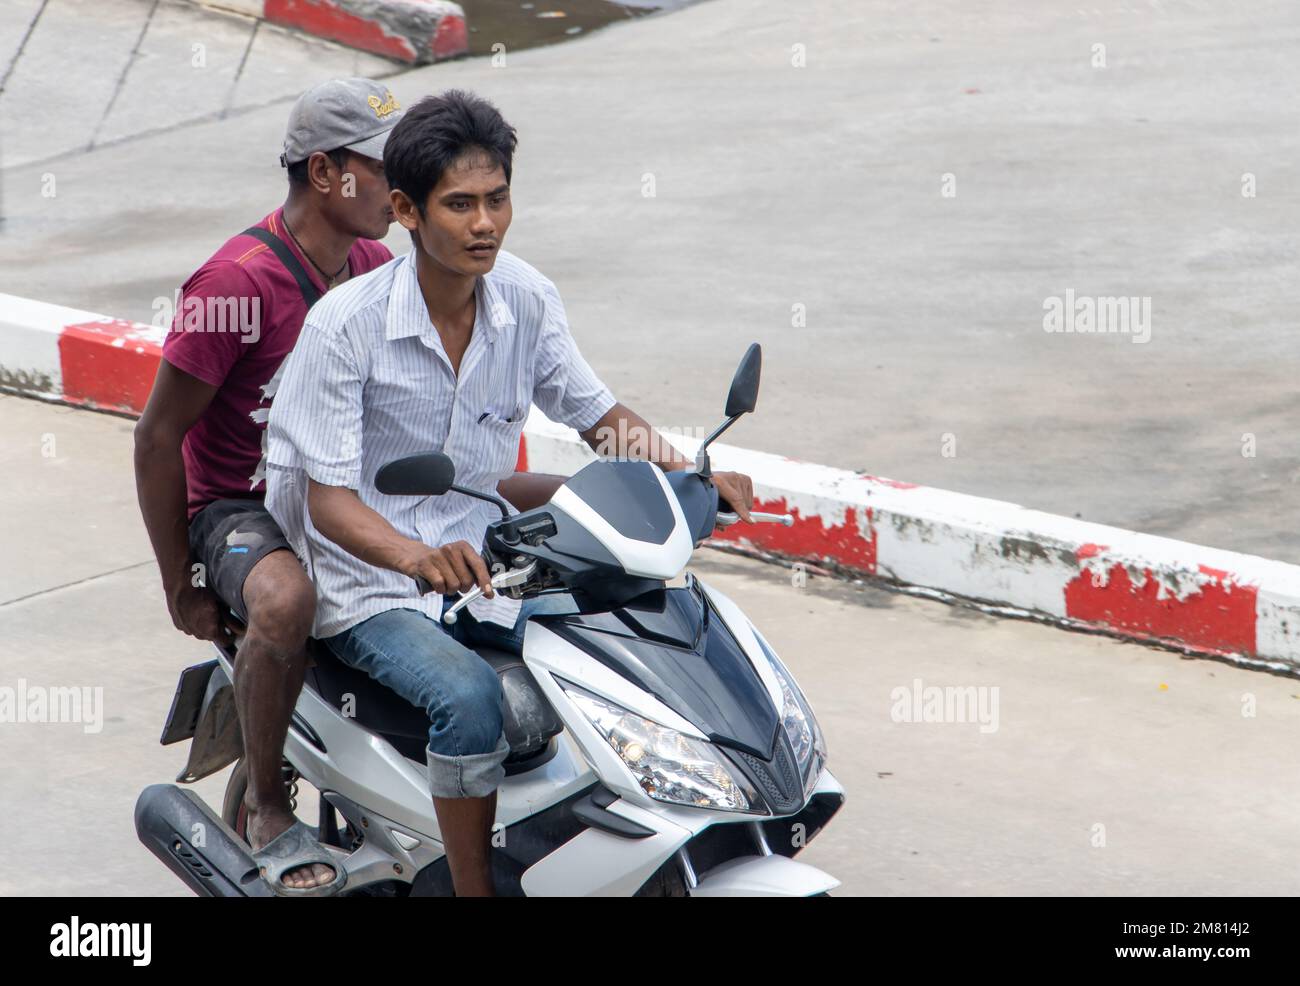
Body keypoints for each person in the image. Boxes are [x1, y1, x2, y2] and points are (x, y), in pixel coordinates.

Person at [264, 89, 756, 896]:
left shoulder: (525, 296)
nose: (483, 222)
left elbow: (595, 413)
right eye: (459, 205)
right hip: (370, 581)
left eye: (497, 200)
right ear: (406, 211)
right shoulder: (344, 328)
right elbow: (329, 504)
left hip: (489, 557)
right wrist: (417, 557)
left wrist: (687, 476)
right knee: (469, 699)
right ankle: (473, 888)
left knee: (629, 637)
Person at [132, 78, 403, 896]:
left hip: (332, 485)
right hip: (239, 507)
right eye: (382, 169)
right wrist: (180, 583)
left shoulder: (371, 264)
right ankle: (262, 802)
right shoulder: (233, 286)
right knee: (284, 604)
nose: (403, 187)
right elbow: (156, 438)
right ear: (324, 173)